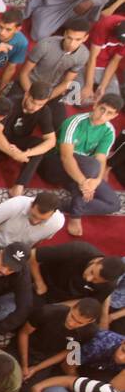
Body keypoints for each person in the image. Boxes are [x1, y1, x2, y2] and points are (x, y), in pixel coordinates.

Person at [41, 96, 122, 237]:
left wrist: (95, 182)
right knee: (91, 165)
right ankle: (75, 215)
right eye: (102, 109)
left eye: (109, 113)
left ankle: (59, 204)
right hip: (54, 166)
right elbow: (66, 157)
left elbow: (101, 160)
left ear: (115, 116)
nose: (103, 115)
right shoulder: (75, 122)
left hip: (82, 173)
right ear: (95, 105)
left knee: (114, 204)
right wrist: (85, 183)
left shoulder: (109, 131)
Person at [31, 240, 125, 305]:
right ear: (97, 261)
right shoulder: (78, 250)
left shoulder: (109, 285)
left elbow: (89, 302)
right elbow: (32, 255)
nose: (88, 278)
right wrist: (39, 282)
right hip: (43, 279)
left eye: (96, 280)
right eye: (92, 272)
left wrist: (57, 307)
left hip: (61, 301)